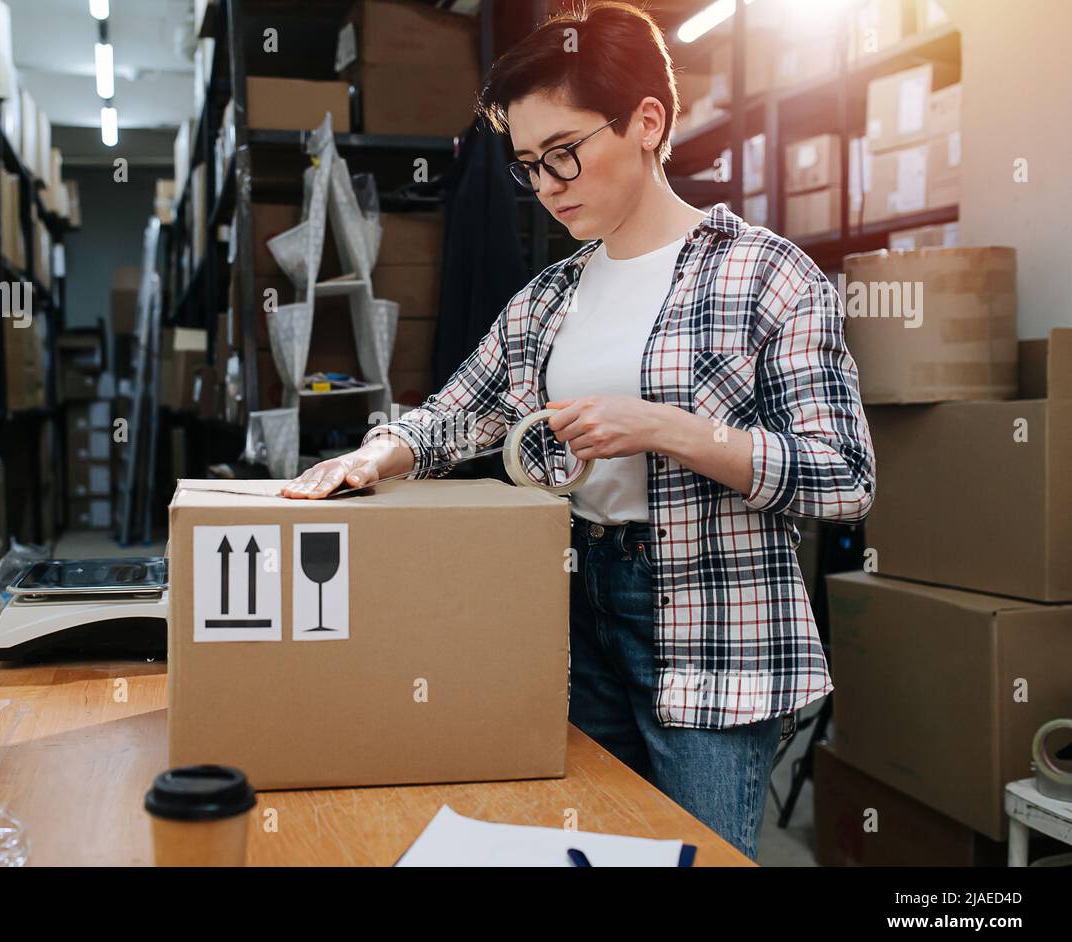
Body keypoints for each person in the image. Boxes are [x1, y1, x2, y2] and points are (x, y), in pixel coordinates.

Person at [280, 0, 874, 861]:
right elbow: (458, 412)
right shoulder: (549, 298)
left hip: (708, 628)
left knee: (693, 855)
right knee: (592, 845)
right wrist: (374, 455)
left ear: (646, 122)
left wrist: (671, 428)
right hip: (576, 605)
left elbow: (844, 477)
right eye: (528, 165)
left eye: (564, 154)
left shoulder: (768, 276)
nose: (549, 185)